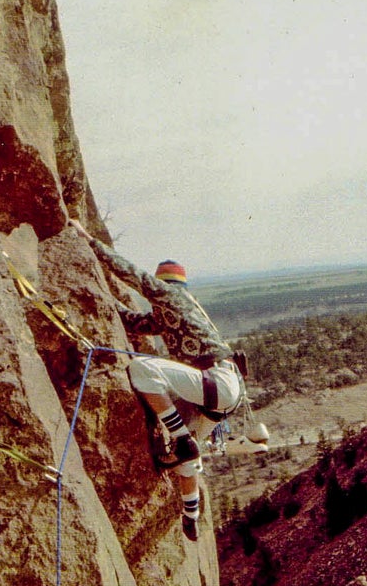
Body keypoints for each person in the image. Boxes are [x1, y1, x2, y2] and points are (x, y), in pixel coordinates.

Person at [69, 219, 256, 541]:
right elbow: (137, 323)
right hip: (223, 392)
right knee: (188, 458)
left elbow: (132, 275)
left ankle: (182, 440)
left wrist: (88, 240)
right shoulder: (175, 310)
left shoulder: (170, 295)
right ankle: (191, 514)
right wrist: (101, 301)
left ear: (166, 284)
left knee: (143, 370)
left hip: (214, 381)